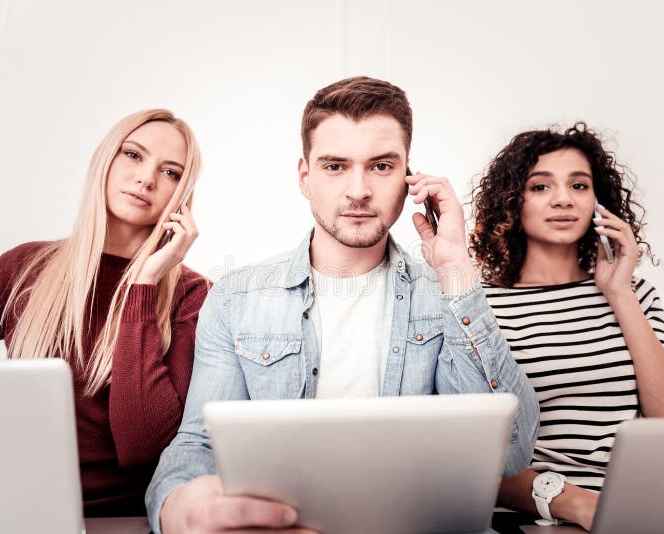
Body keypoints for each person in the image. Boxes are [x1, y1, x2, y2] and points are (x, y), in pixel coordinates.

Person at [146, 76, 540, 534]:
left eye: (381, 166)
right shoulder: (236, 298)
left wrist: (455, 268)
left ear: (410, 176)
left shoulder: (452, 295)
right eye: (335, 166)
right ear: (304, 176)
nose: (358, 190)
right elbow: (197, 443)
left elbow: (511, 452)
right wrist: (178, 507)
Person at [0, 109, 209, 516]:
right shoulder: (21, 268)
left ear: (183, 196)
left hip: (123, 517)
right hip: (14, 510)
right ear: (105, 160)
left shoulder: (193, 296)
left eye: (171, 173)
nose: (146, 178)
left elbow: (141, 448)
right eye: (133, 155)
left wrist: (144, 286)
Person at [469, 123, 664, 531]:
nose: (563, 199)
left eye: (579, 186)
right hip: (532, 517)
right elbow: (469, 455)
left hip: (635, 513)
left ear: (599, 202)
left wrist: (619, 293)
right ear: (511, 201)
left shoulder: (635, 295)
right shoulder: (478, 307)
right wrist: (577, 505)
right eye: (540, 187)